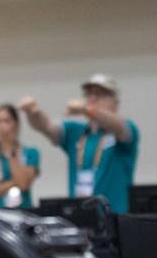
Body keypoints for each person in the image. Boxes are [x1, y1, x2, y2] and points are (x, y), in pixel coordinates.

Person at [18, 74, 139, 213]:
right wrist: (33, 112)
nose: (92, 98)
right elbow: (47, 126)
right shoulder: (76, 131)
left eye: (99, 94)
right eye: (89, 94)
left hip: (115, 218)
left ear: (115, 103)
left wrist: (87, 110)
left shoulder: (125, 130)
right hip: (81, 220)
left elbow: (119, 126)